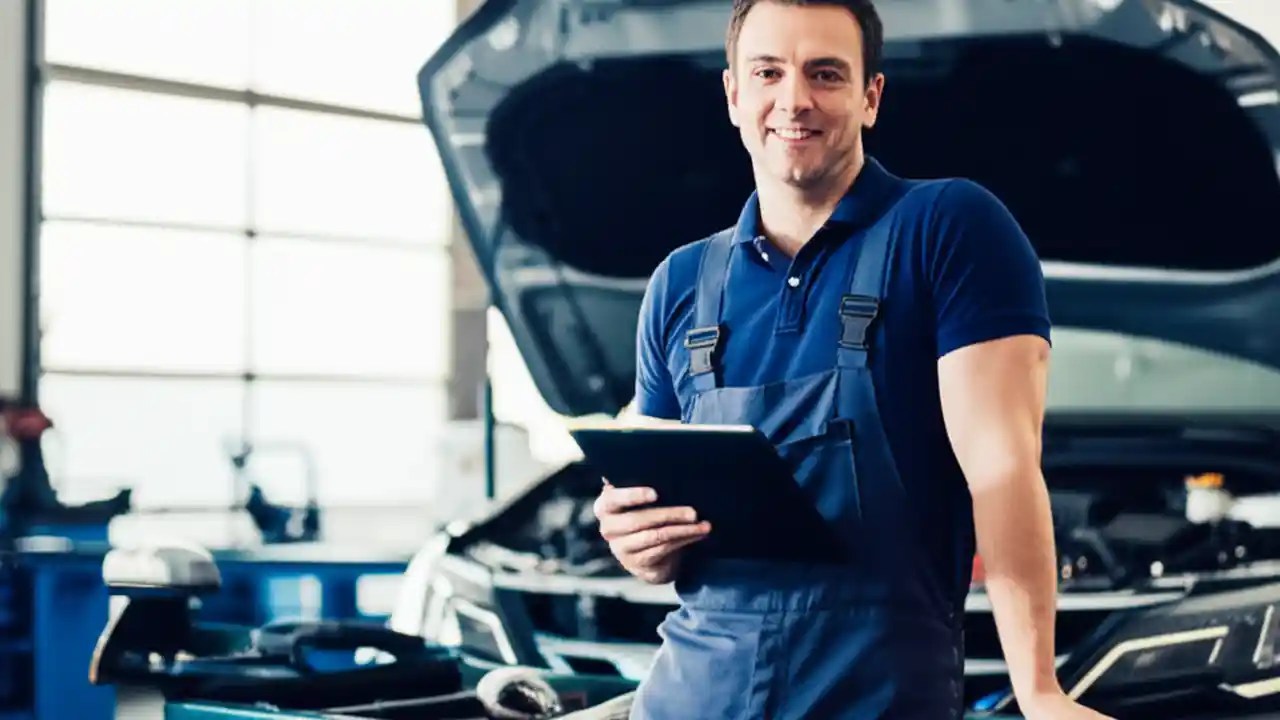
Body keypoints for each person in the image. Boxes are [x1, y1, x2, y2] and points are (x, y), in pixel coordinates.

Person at [591, 1, 1116, 718]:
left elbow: (1002, 465)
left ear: (871, 96)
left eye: (826, 73)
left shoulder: (946, 228)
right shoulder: (681, 282)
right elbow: (646, 487)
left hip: (877, 700)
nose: (794, 100)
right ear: (733, 95)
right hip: (692, 697)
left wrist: (1038, 689)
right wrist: (636, 541)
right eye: (768, 72)